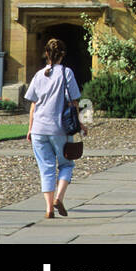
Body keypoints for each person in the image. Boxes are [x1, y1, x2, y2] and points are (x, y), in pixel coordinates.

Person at [24, 38, 85, 219]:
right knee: (67, 164)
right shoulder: (66, 73)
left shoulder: (38, 75)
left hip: (38, 129)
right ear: (62, 55)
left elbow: (33, 105)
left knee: (46, 168)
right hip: (60, 129)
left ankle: (49, 208)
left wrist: (30, 128)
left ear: (46, 54)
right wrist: (80, 124)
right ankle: (59, 197)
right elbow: (74, 101)